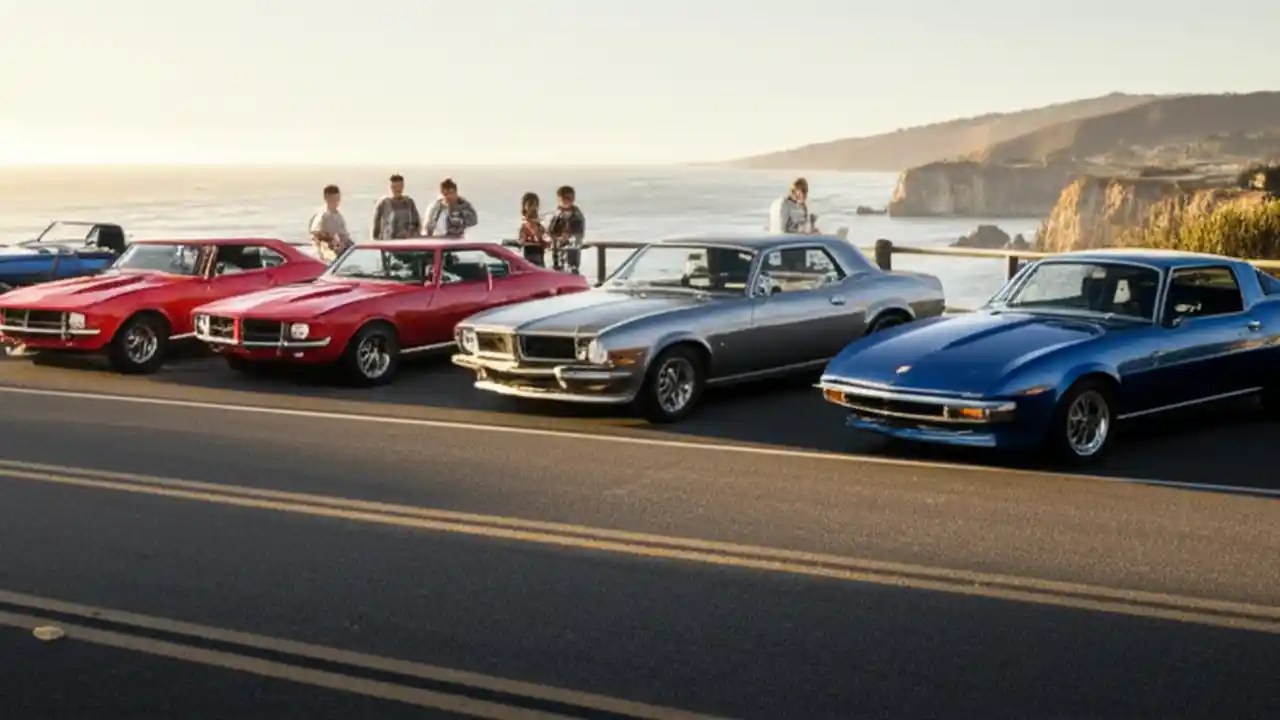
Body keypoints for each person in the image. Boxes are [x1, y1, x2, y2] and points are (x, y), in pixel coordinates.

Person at [309, 184, 353, 262]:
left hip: (343, 252)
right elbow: (316, 235)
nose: (336, 202)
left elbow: (344, 235)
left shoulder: (338, 215)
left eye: (337, 199)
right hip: (330, 256)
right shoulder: (322, 216)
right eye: (333, 199)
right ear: (326, 198)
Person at [546, 185, 586, 273]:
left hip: (571, 249)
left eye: (567, 198)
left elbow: (579, 232)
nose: (565, 201)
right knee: (556, 270)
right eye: (562, 199)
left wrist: (570, 236)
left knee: (572, 269)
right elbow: (550, 230)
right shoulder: (556, 215)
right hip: (557, 249)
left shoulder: (577, 215)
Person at [371, 174, 421, 239]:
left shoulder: (409, 202)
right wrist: (377, 240)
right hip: (389, 241)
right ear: (390, 187)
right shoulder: (383, 203)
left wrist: (414, 234)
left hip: (407, 241)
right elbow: (376, 225)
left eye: (400, 186)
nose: (398, 189)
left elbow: (416, 222)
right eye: (395, 187)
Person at [517, 192, 549, 266]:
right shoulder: (523, 223)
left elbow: (544, 237)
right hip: (527, 253)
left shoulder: (540, 222)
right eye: (530, 205)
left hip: (539, 253)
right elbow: (521, 240)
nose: (533, 208)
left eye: (535, 205)